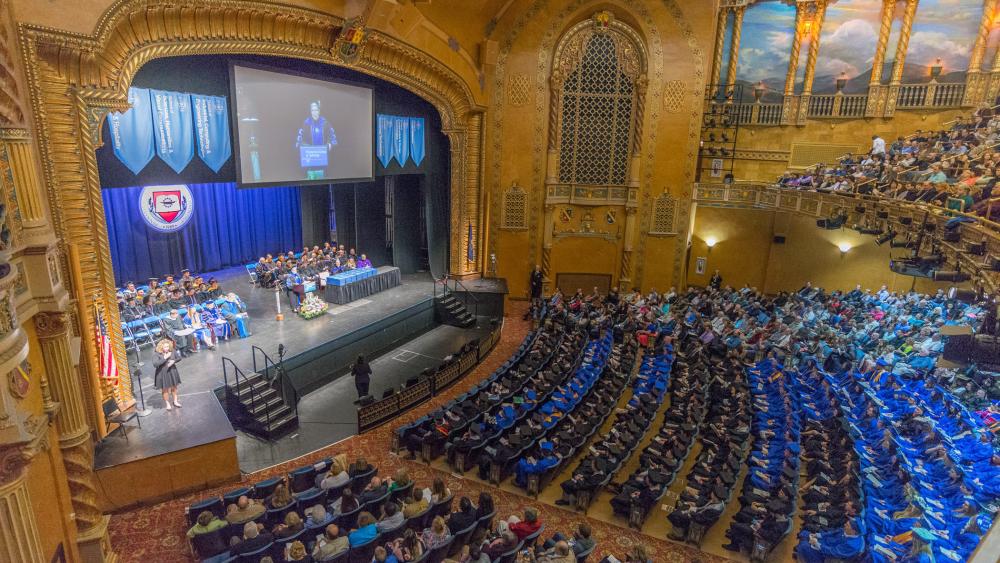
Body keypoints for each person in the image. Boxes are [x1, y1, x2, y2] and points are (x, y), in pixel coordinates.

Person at [296, 100, 338, 179]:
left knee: (323, 179)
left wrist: (330, 144)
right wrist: (302, 145)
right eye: (312, 110)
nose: (314, 112)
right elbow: (299, 140)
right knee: (311, 179)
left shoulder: (325, 123)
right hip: (310, 160)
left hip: (323, 160)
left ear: (319, 111)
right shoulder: (306, 123)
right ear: (310, 111)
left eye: (316, 110)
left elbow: (333, 138)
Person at [153, 339, 183, 410]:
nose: (167, 348)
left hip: (172, 371)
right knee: (165, 390)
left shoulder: (172, 351)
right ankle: (167, 404)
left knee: (174, 387)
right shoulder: (157, 354)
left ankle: (175, 401)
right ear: (161, 347)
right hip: (162, 373)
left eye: (167, 346)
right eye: (165, 347)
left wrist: (174, 361)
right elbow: (155, 364)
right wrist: (165, 358)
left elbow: (179, 358)